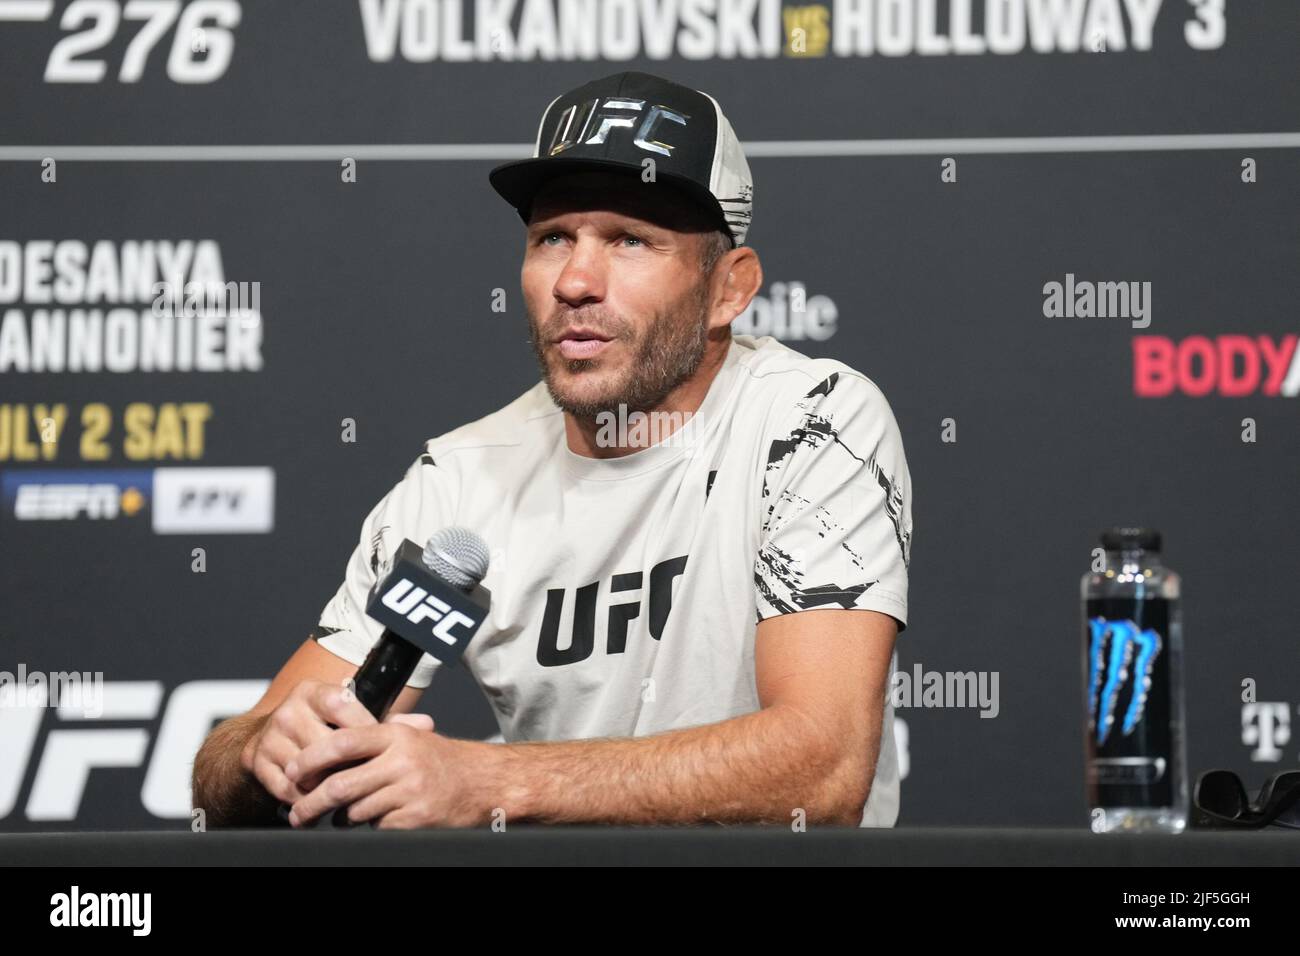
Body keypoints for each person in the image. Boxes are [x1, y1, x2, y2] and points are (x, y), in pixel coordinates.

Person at [193, 71, 914, 829]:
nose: (574, 279)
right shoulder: (464, 480)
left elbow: (823, 766)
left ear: (728, 290)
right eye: (552, 239)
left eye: (630, 240)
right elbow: (229, 774)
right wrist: (263, 752)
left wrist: (487, 781)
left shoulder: (810, 421)